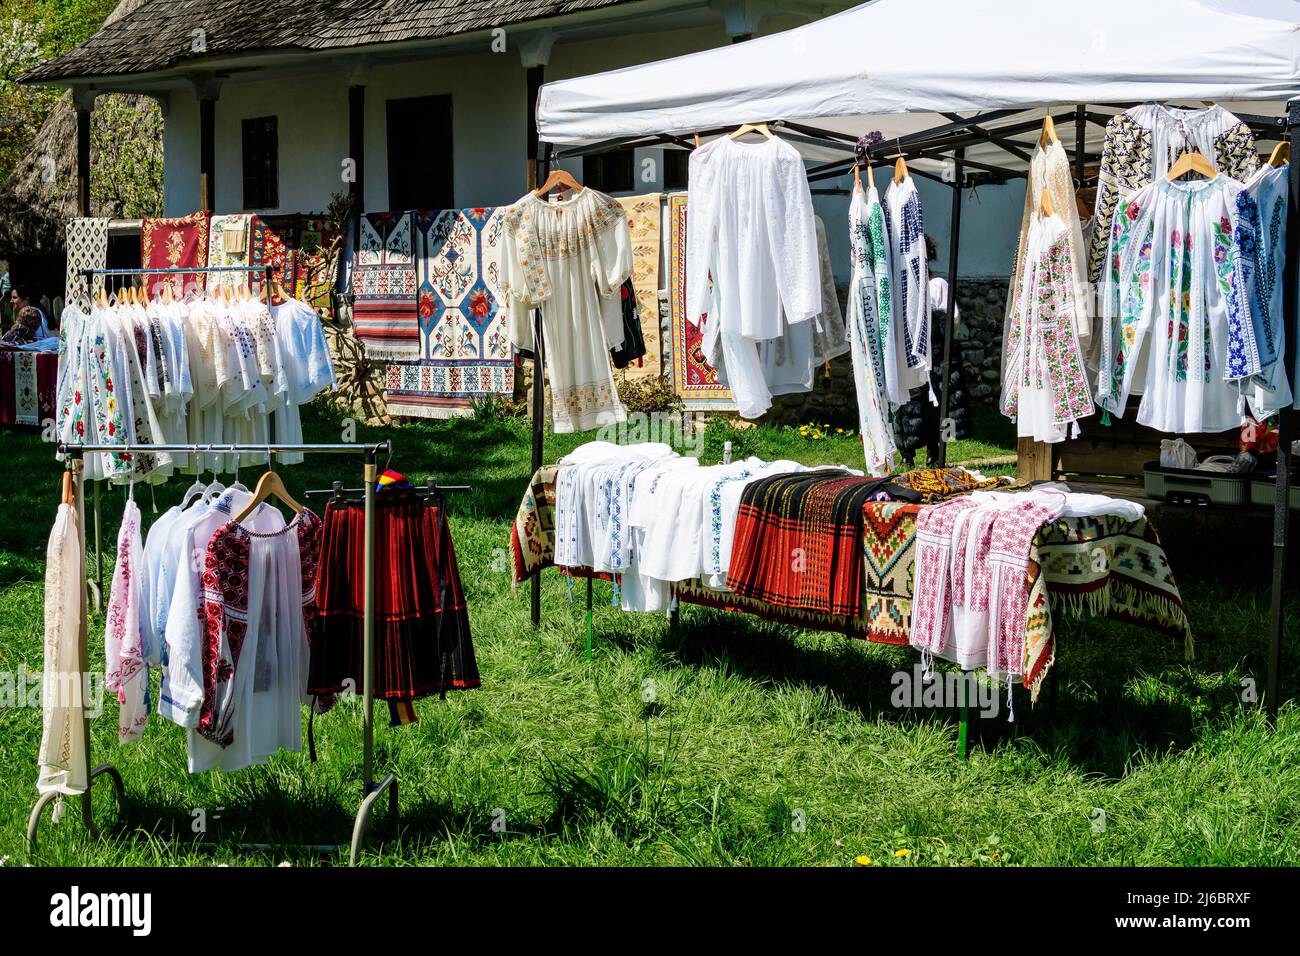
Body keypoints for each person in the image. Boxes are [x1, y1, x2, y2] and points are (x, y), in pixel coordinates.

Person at [892, 235, 975, 467]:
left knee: (935, 405)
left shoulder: (936, 286)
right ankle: (910, 454)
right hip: (913, 357)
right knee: (910, 404)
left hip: (935, 357)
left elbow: (953, 320)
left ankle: (932, 452)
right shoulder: (905, 289)